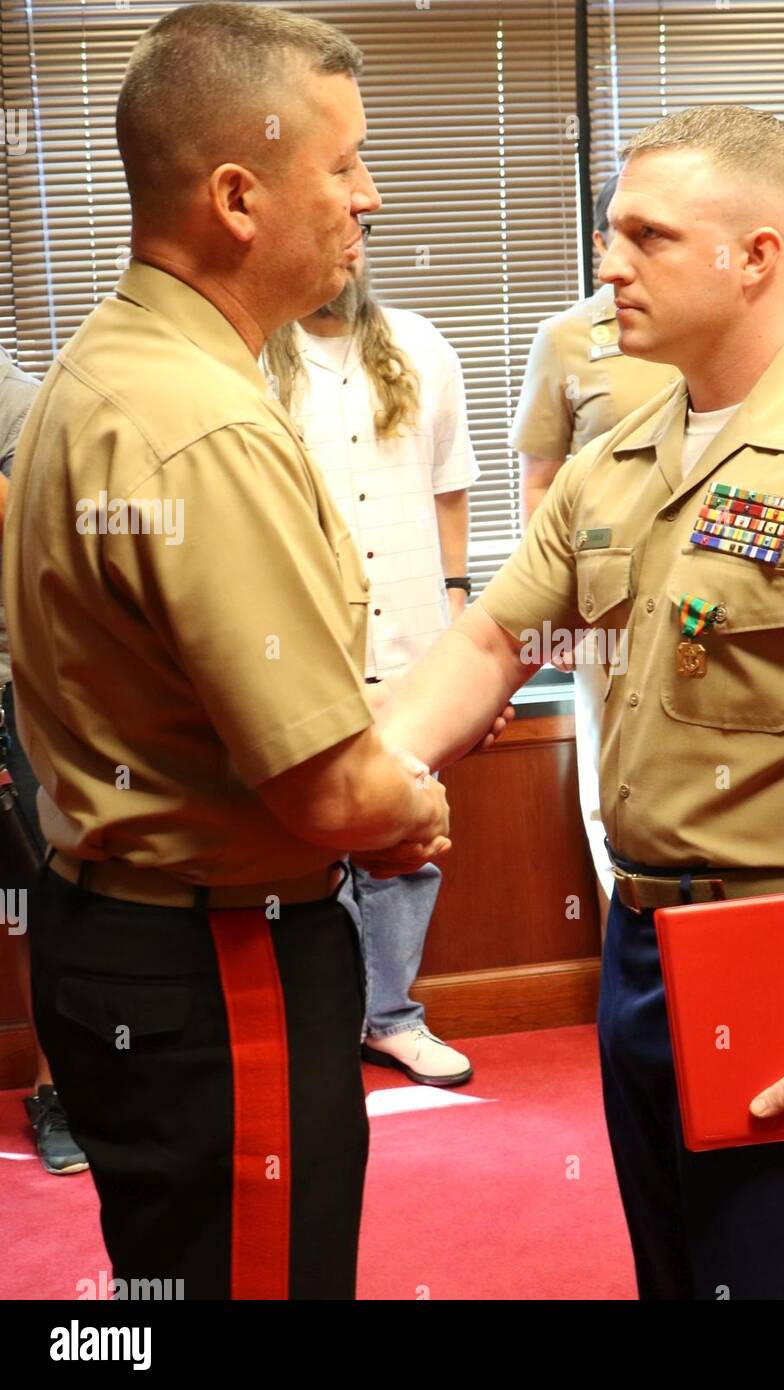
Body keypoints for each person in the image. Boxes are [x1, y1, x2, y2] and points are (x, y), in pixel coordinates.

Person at [372, 105, 784, 1300]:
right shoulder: (618, 457)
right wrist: (369, 779)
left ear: (755, 255)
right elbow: (491, 640)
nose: (608, 264)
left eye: (647, 236)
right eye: (609, 234)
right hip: (641, 946)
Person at [3, 3, 454, 1299]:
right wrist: (412, 806)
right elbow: (330, 793)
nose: (370, 196)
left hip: (121, 930)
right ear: (237, 197)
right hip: (219, 960)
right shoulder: (200, 422)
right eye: (343, 163)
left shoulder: (105, 364)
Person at [263, 244, 477, 1086]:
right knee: (315, 839)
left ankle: (390, 1017)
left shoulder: (424, 347)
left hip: (417, 644)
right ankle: (325, 1022)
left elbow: (449, 491)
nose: (342, 258)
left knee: (404, 834)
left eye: (354, 244)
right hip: (308, 649)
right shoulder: (251, 360)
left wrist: (456, 610)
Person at [512, 175, 678, 928]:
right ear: (599, 242)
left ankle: (712, 956)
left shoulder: (713, 333)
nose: (638, 255)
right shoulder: (567, 339)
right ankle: (634, 949)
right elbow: (541, 483)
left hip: (709, 597)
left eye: (659, 236)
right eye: (627, 235)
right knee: (610, 784)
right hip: (606, 601)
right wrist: (559, 609)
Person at [0, 344, 87, 1175]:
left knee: (37, 900)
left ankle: (56, 1087)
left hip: (14, 691)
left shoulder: (24, 407)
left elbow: (33, 540)